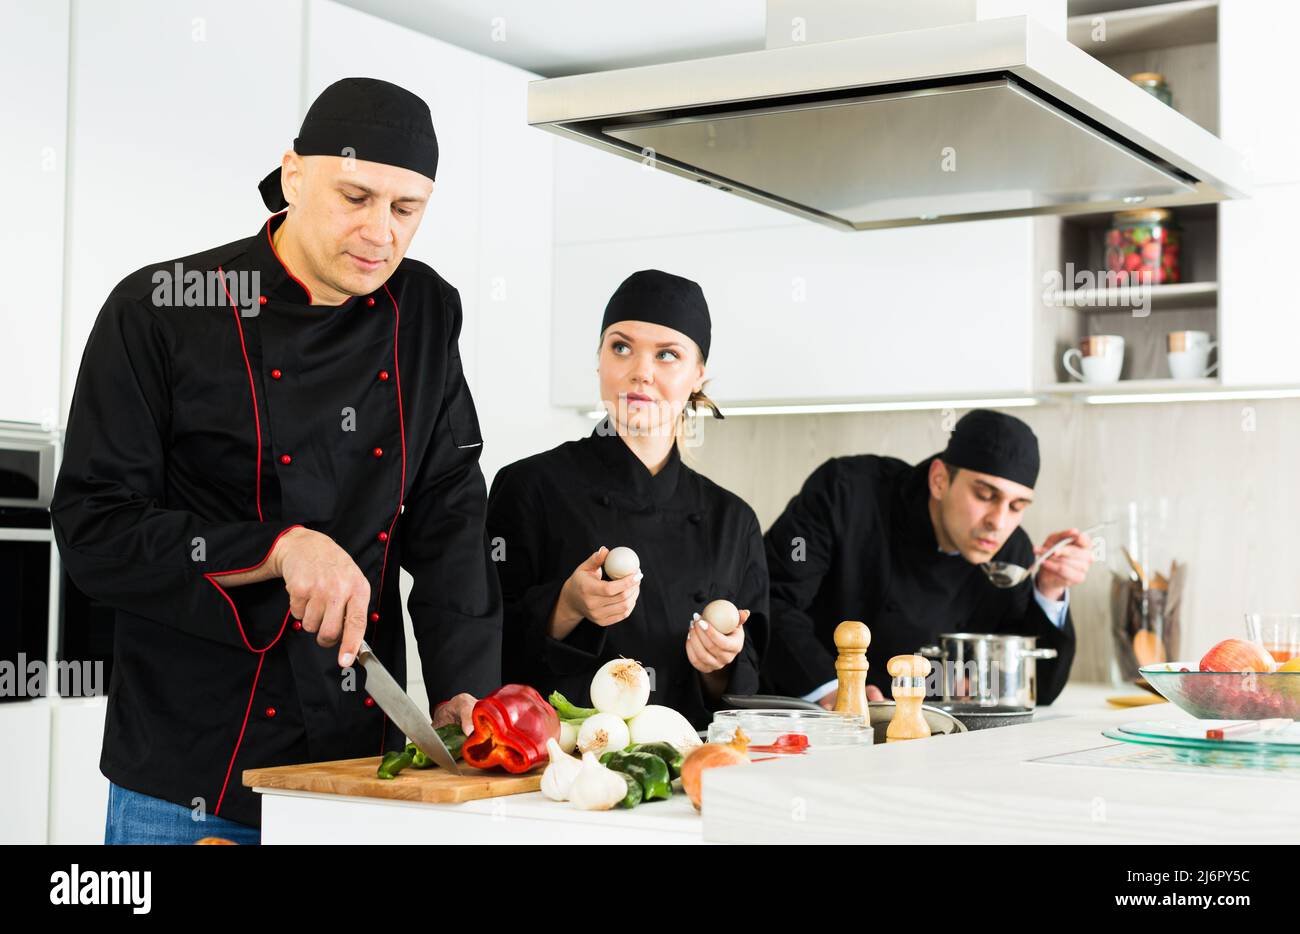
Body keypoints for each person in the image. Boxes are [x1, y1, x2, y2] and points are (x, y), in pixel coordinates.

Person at [51, 77, 501, 844]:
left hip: (358, 769)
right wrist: (277, 548)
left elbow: (451, 512)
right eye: (355, 197)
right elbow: (95, 530)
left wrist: (468, 690)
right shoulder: (160, 308)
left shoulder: (426, 310)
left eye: (406, 209)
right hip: (190, 770)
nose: (380, 233)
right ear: (293, 175)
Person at [485, 270, 768, 729]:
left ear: (698, 375)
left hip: (681, 771)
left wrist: (719, 664)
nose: (641, 370)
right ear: (599, 360)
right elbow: (486, 645)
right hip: (563, 768)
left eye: (667, 355)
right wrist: (567, 607)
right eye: (621, 347)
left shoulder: (732, 520)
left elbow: (746, 688)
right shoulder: (529, 486)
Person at [762, 409, 1092, 707]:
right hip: (814, 724)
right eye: (985, 495)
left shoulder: (1011, 552)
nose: (999, 521)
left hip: (931, 738)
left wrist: (1049, 590)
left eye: (1017, 506)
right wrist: (832, 689)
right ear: (939, 480)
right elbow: (773, 599)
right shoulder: (844, 493)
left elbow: (1039, 688)